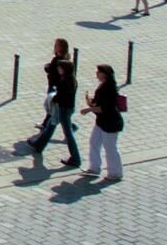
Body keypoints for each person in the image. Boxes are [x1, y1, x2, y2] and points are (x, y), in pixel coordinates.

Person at [28, 39, 80, 168]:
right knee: (51, 125)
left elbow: (61, 96)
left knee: (67, 133)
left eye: (59, 68)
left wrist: (52, 100)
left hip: (63, 109)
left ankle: (76, 158)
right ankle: (39, 145)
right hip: (65, 108)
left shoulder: (64, 82)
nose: (58, 69)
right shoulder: (71, 80)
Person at [80, 64, 123, 180]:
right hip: (102, 121)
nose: (96, 73)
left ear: (105, 74)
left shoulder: (109, 88)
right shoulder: (103, 85)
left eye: (98, 72)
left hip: (111, 122)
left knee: (110, 147)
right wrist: (90, 103)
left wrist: (88, 109)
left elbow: (104, 108)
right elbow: (98, 104)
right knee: (94, 142)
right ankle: (94, 168)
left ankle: (115, 173)